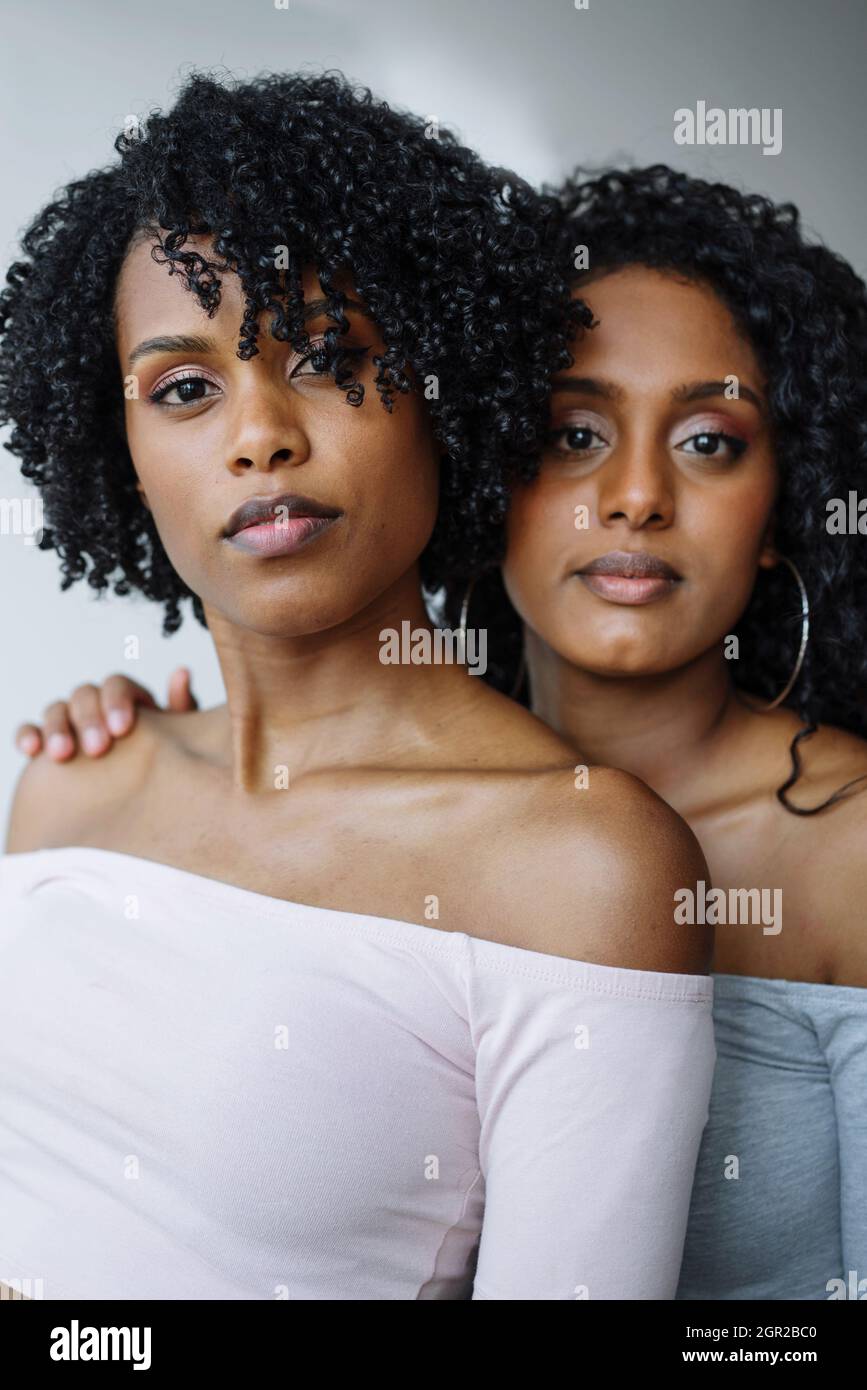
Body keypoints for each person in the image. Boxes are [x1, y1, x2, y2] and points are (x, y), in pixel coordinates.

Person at [48, 163, 867, 1302]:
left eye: (711, 441)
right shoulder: (454, 824)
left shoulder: (836, 849)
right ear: (495, 455)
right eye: (574, 433)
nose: (633, 498)